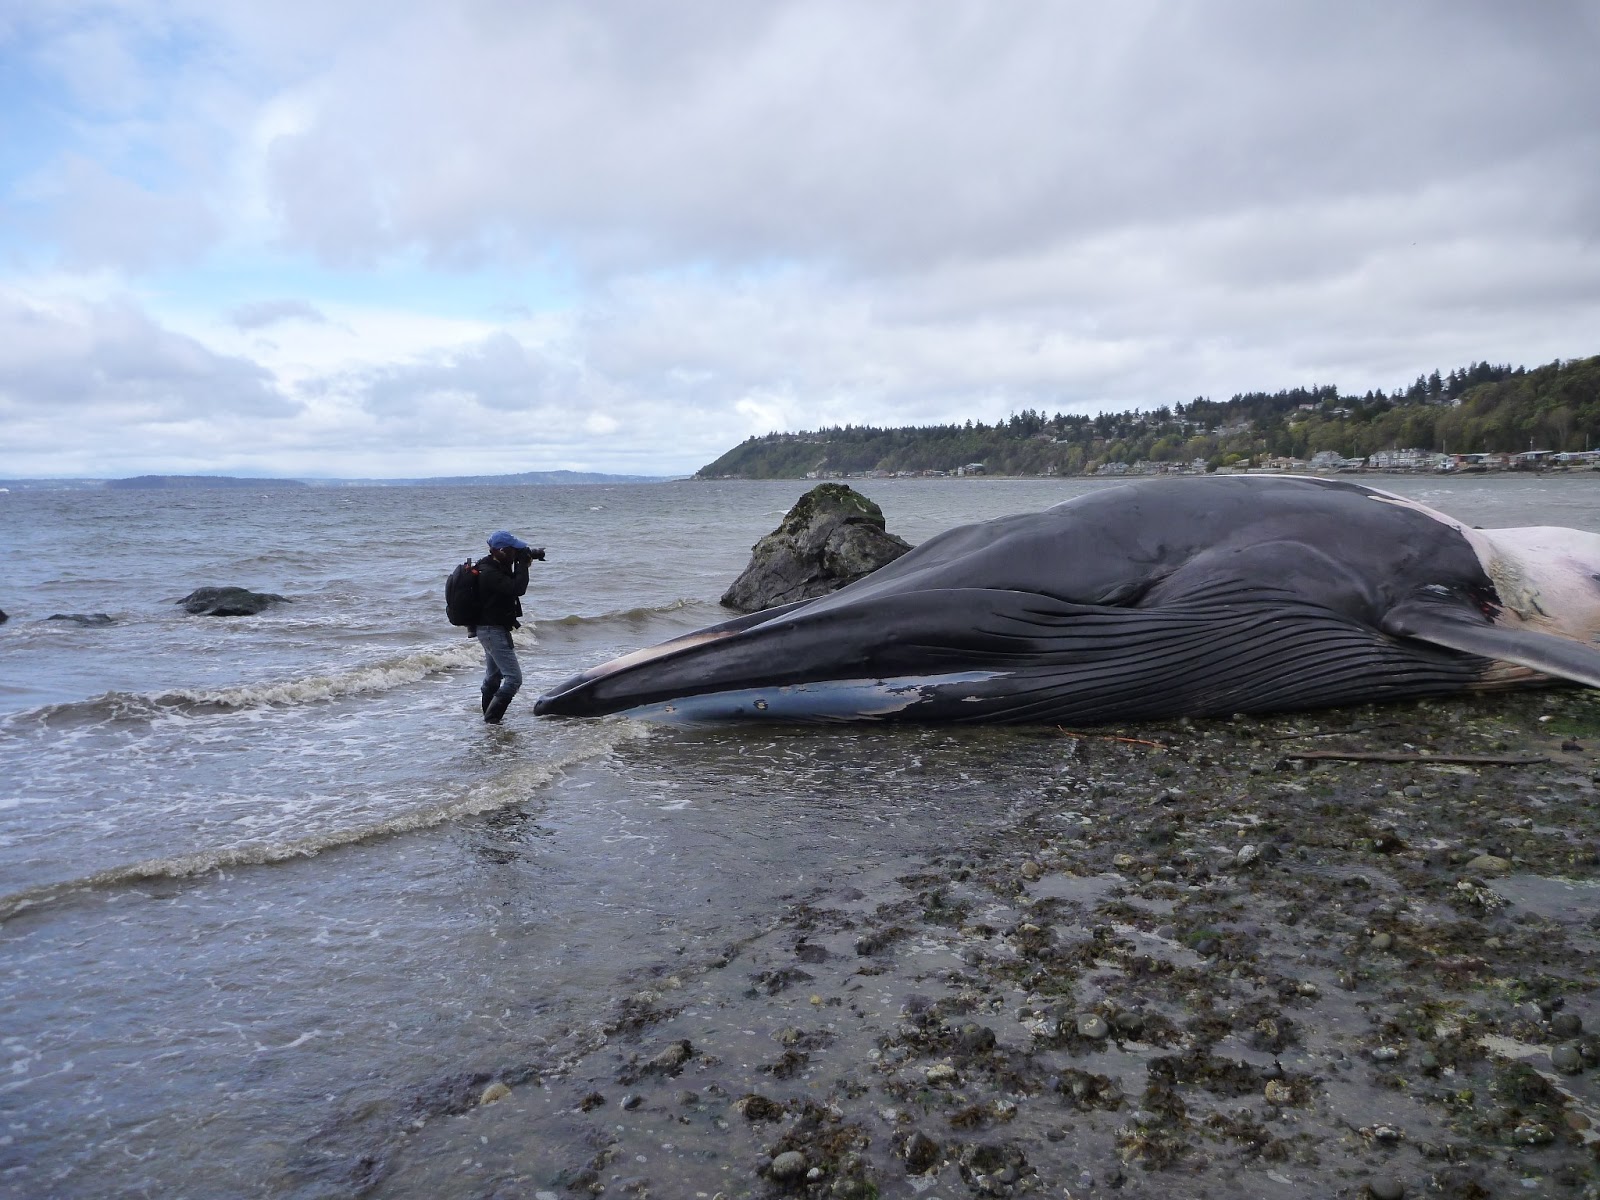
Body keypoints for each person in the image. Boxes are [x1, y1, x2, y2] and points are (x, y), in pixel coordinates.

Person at [473, 530, 543, 724]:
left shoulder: (491, 565)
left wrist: (525, 558)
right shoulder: (489, 573)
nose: (517, 553)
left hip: (490, 629)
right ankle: (492, 721)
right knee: (513, 679)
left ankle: (487, 721)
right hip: (491, 631)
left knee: (494, 677)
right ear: (502, 551)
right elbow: (517, 588)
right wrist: (523, 564)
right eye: (514, 550)